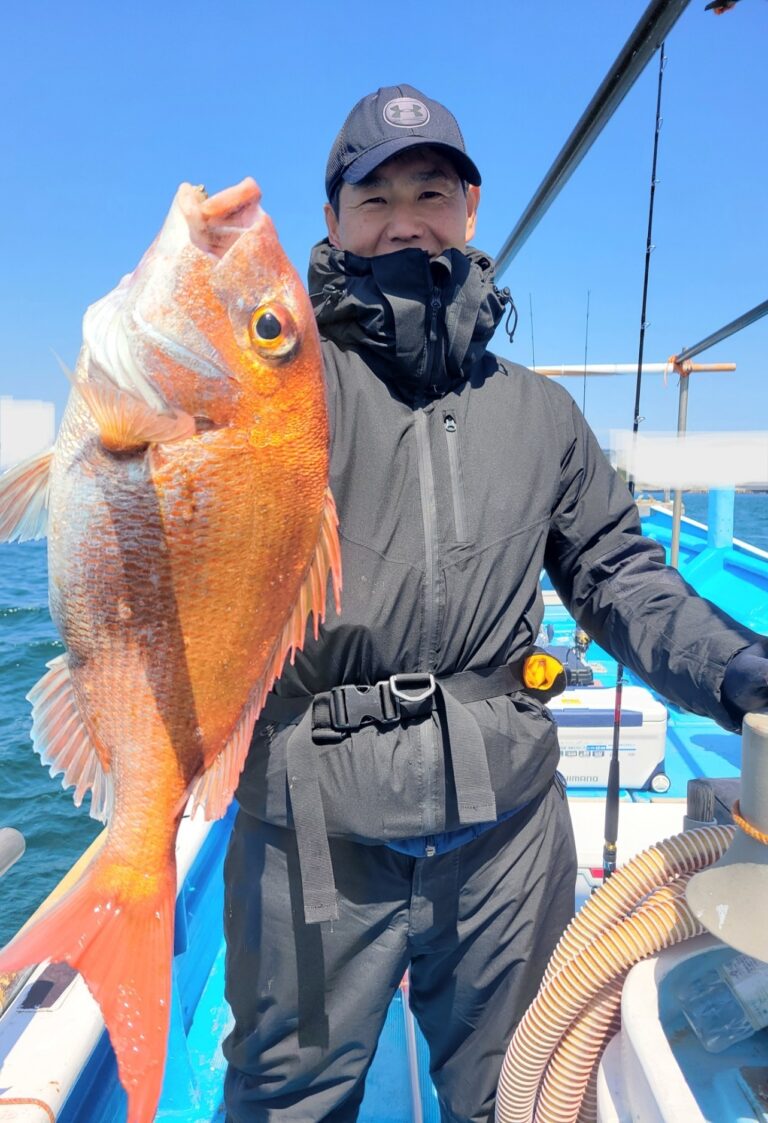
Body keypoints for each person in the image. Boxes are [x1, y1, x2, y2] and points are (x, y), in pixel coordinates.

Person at [223, 84, 768, 1122]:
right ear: (331, 222)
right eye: (371, 197)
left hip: (506, 826)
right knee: (286, 1098)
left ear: (470, 212)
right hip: (312, 825)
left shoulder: (542, 413)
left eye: (430, 189)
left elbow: (619, 574)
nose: (404, 217)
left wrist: (739, 669)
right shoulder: (279, 395)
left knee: (515, 1096)